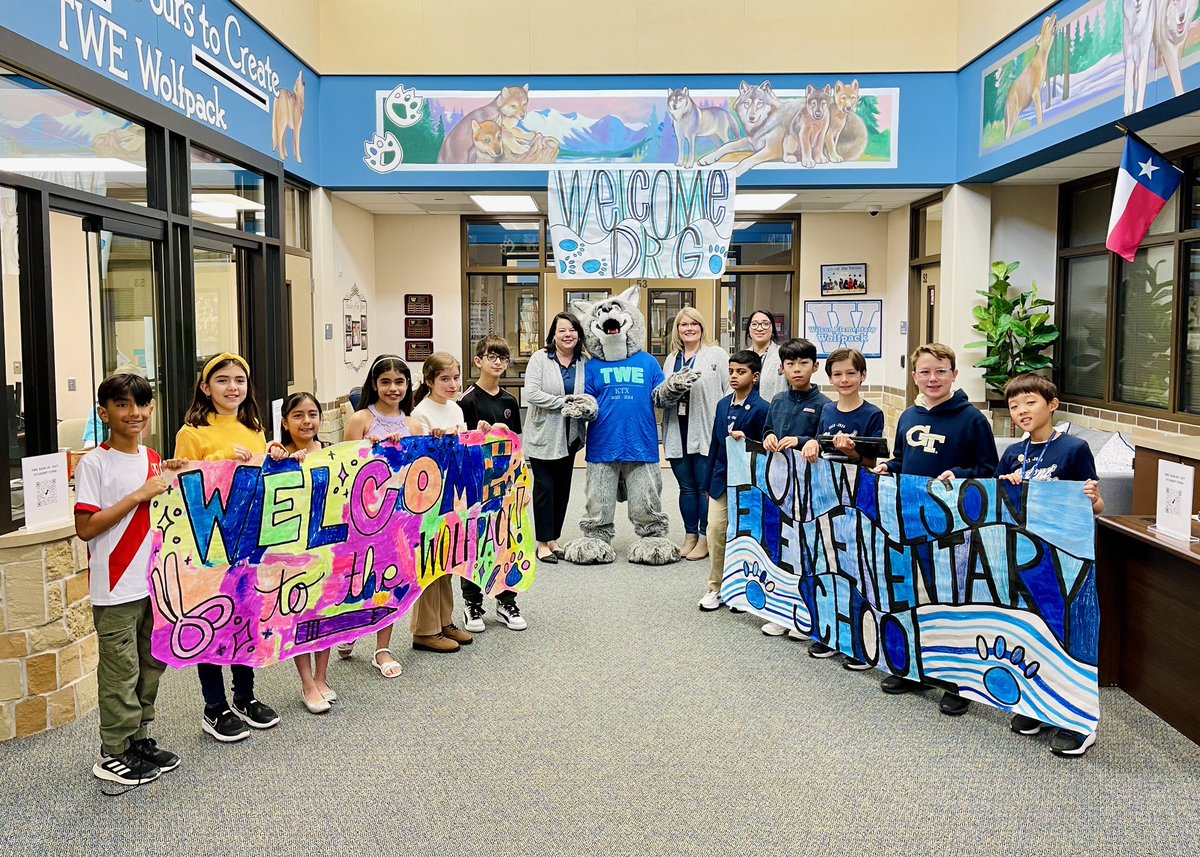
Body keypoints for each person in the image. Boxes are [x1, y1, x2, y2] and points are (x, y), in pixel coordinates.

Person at [870, 343, 999, 715]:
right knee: (911, 595)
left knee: (951, 599)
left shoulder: (973, 420)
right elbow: (901, 459)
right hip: (910, 521)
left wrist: (958, 475)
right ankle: (913, 668)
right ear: (914, 378)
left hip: (953, 527)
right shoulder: (909, 416)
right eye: (925, 372)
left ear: (954, 375)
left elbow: (988, 471)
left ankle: (956, 680)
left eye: (940, 371)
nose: (932, 378)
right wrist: (889, 469)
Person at [75, 372, 182, 785]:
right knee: (120, 672)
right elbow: (86, 527)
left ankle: (139, 737)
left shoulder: (153, 458)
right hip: (115, 587)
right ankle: (113, 750)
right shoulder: (94, 463)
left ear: (151, 409)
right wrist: (138, 494)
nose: (133, 413)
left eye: (141, 404)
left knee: (150, 666)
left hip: (153, 585)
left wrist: (169, 474)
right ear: (104, 413)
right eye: (122, 404)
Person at [174, 352, 279, 742]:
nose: (232, 387)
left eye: (239, 380)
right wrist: (218, 459)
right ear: (205, 387)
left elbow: (262, 476)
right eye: (222, 380)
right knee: (211, 619)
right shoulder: (192, 432)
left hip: (249, 537)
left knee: (246, 617)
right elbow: (181, 484)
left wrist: (276, 457)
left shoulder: (254, 427)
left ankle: (245, 695)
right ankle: (214, 705)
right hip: (209, 543)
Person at [997, 373, 1103, 757]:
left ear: (1052, 405)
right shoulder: (1012, 453)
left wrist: (1092, 497)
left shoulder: (1074, 449)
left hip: (1064, 560)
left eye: (1030, 402)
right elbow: (1000, 508)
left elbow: (1095, 507)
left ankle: (1078, 722)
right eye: (1014, 405)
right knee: (1029, 632)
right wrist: (1006, 484)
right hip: (1024, 558)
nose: (1022, 411)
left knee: (1068, 636)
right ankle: (1038, 705)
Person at [338, 354, 425, 675]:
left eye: (399, 382)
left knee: (390, 579)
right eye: (385, 382)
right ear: (374, 385)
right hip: (363, 515)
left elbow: (420, 471)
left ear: (408, 385)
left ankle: (382, 648)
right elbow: (342, 469)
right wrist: (368, 449)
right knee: (358, 577)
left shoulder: (414, 424)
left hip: (399, 516)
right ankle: (350, 630)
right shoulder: (361, 419)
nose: (393, 388)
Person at [800, 348, 884, 666]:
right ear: (830, 378)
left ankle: (862, 643)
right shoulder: (827, 410)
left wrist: (851, 452)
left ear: (862, 376)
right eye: (837, 374)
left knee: (858, 569)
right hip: (828, 499)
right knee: (830, 564)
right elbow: (819, 447)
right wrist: (811, 444)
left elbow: (872, 461)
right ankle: (833, 633)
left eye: (851, 373)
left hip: (859, 500)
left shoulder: (871, 414)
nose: (844, 379)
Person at [271, 392, 340, 712]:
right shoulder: (276, 456)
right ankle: (307, 682)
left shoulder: (331, 452)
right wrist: (281, 462)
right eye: (298, 415)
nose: (307, 421)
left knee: (325, 613)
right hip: (291, 550)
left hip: (327, 545)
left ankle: (323, 676)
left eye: (313, 414)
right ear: (284, 421)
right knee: (298, 613)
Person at [759, 338, 830, 637]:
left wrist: (800, 442)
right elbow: (766, 430)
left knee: (807, 551)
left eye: (803, 363)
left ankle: (805, 613)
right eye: (790, 364)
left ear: (815, 367)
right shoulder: (777, 401)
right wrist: (768, 437)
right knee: (780, 548)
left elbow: (825, 444)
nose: (796, 369)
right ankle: (782, 611)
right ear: (782, 368)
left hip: (810, 492)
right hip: (779, 488)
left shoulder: (825, 405)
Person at [459, 335, 527, 632]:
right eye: (492, 357)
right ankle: (473, 603)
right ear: (478, 361)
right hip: (475, 484)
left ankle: (506, 600)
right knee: (473, 542)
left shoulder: (510, 400)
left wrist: (520, 478)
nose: (498, 362)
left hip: (505, 484)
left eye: (503, 357)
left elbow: (516, 445)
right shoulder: (467, 400)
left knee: (505, 540)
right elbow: (462, 444)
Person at [410, 351, 474, 653]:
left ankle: (444, 620)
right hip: (429, 495)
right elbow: (418, 459)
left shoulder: (456, 409)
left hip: (453, 492)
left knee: (448, 559)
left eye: (456, 378)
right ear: (429, 381)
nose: (452, 384)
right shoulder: (421, 413)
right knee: (429, 562)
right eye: (445, 379)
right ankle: (425, 629)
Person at [699, 350, 769, 612]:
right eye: (731, 371)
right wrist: (707, 484)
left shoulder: (763, 408)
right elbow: (715, 446)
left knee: (746, 536)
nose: (734, 376)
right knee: (716, 530)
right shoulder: (722, 404)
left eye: (741, 372)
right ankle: (715, 587)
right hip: (720, 479)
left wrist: (748, 442)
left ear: (755, 376)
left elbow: (766, 448)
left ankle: (740, 589)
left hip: (748, 483)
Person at [662, 307, 730, 561]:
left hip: (705, 430)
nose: (688, 328)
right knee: (686, 487)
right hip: (677, 429)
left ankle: (704, 538)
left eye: (694, 324)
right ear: (677, 330)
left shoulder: (716, 355)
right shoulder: (672, 358)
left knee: (704, 487)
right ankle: (690, 535)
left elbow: (727, 392)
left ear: (702, 328)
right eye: (683, 325)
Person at [522, 312, 587, 564]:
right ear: (553, 334)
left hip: (570, 435)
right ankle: (542, 543)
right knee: (545, 489)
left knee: (562, 490)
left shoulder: (583, 361)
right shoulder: (540, 358)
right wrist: (565, 403)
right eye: (562, 330)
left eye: (572, 330)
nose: (567, 334)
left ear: (578, 334)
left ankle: (554, 539)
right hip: (544, 435)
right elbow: (532, 394)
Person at [745, 309, 786, 403]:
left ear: (772, 329)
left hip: (775, 413)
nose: (759, 328)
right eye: (754, 324)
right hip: (747, 415)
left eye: (765, 324)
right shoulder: (742, 357)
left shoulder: (783, 355)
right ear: (749, 330)